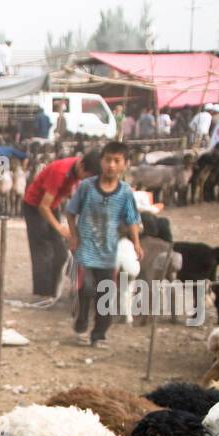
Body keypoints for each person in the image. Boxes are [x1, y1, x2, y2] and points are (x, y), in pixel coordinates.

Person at [65, 141, 141, 348]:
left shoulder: (125, 192)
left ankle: (99, 335)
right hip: (85, 248)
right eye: (108, 160)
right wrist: (73, 237)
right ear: (101, 161)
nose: (111, 165)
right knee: (85, 289)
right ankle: (81, 327)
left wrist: (136, 243)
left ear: (125, 164)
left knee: (106, 292)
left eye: (117, 161)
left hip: (108, 251)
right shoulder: (87, 187)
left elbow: (132, 219)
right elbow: (71, 212)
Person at [22, 150, 100, 298]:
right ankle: (43, 294)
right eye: (88, 177)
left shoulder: (78, 169)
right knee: (43, 250)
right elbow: (43, 206)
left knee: (60, 251)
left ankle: (54, 289)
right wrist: (60, 228)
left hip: (53, 205)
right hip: (35, 206)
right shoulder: (60, 172)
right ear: (82, 168)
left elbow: (74, 196)